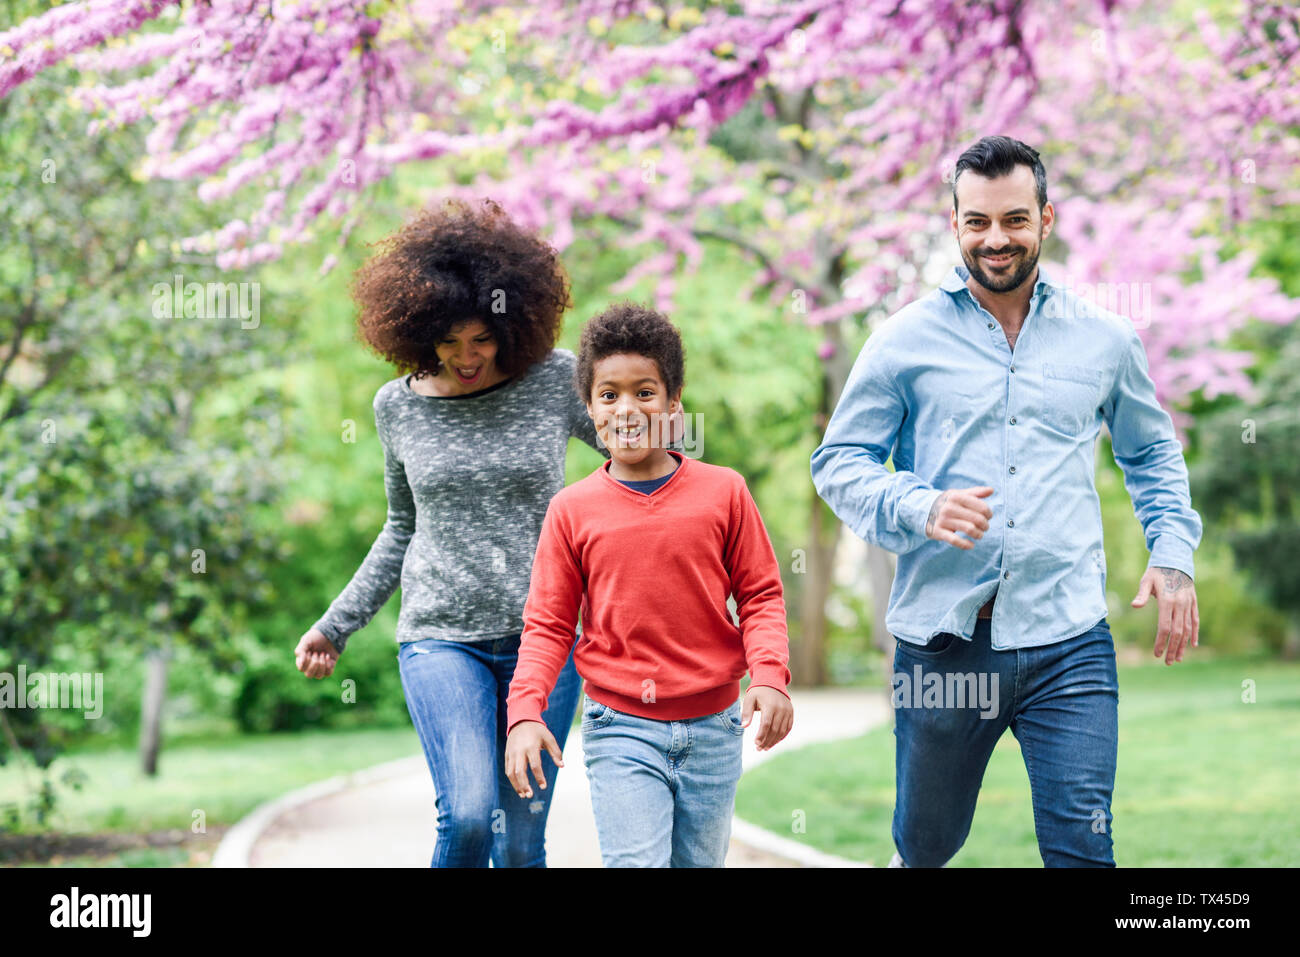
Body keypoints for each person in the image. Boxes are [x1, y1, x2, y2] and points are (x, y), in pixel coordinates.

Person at [810, 135, 1202, 868]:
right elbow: (838, 463)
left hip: (1069, 638)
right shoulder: (901, 341)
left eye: (1016, 219)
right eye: (978, 221)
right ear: (953, 222)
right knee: (925, 847)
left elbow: (1150, 452)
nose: (997, 238)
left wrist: (1173, 556)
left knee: (1083, 849)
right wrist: (918, 504)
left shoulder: (1106, 339)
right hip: (947, 640)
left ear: (1047, 219)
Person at [294, 197, 610, 867]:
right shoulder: (396, 407)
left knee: (521, 842)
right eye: (449, 341)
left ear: (510, 323)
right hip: (440, 636)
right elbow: (401, 526)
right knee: (468, 816)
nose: (467, 357)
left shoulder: (553, 379)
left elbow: (631, 461)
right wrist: (336, 623)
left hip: (545, 637)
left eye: (482, 339)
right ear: (419, 331)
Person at [502, 302, 795, 867]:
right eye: (609, 395)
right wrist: (525, 712)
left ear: (673, 403)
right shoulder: (571, 511)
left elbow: (760, 595)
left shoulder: (724, 492)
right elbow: (548, 624)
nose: (627, 408)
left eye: (645, 391)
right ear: (589, 408)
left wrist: (770, 676)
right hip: (621, 728)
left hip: (714, 728)